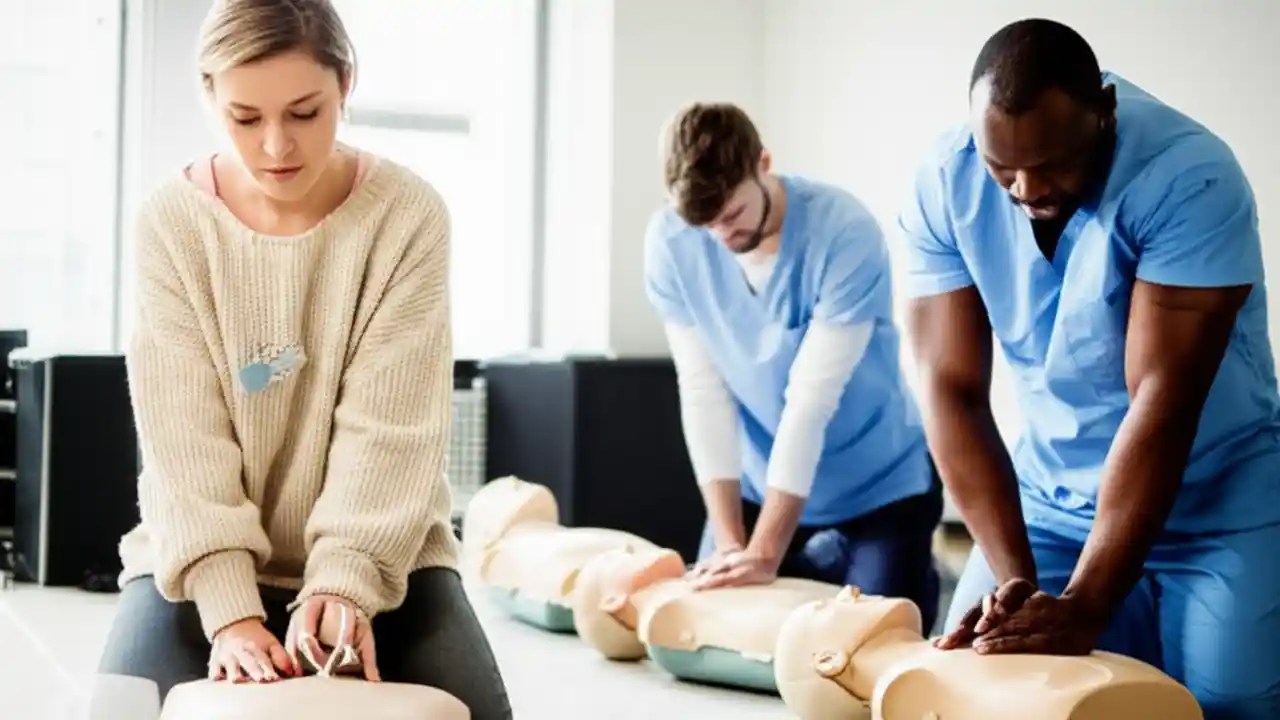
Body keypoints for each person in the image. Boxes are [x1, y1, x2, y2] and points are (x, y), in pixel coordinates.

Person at [95, 2, 511, 718]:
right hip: (203, 554)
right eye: (245, 118)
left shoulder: (406, 216)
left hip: (383, 553)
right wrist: (228, 608)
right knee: (119, 708)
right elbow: (182, 440)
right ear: (210, 97)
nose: (276, 146)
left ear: (344, 84)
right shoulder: (170, 223)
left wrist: (343, 585)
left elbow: (390, 431)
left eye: (306, 112)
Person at [900, 17, 1280, 719]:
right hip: (1053, 499)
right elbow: (948, 390)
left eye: (1050, 164)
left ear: (1103, 112)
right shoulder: (945, 181)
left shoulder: (1191, 177)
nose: (1023, 188)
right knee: (977, 677)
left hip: (1217, 495)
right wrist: (1024, 589)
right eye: (1001, 168)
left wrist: (1088, 602)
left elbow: (1163, 397)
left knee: (1231, 699)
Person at [644, 102, 943, 632]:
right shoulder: (671, 241)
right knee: (711, 622)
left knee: (867, 645)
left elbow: (810, 402)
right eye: (703, 223)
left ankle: (888, 564)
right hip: (764, 486)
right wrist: (733, 540)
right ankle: (808, 559)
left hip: (878, 487)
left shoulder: (844, 232)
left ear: (763, 163)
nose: (720, 237)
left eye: (732, 215)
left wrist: (765, 554)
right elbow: (702, 391)